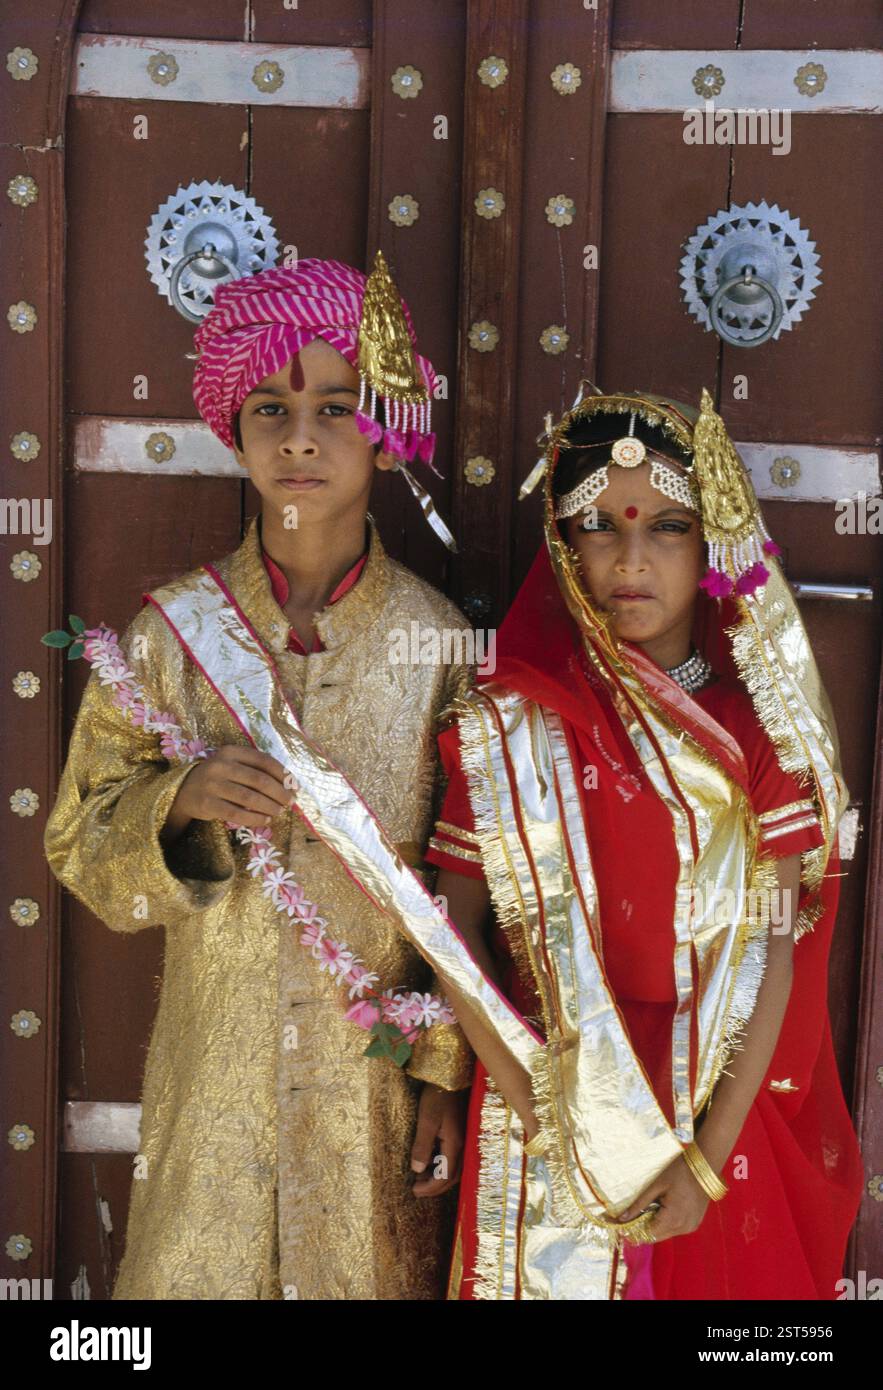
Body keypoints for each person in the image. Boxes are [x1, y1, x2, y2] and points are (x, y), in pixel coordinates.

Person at [42, 253, 476, 1300]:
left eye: (335, 407)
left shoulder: (438, 645)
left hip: (364, 1087)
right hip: (213, 1075)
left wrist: (443, 1074)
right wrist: (176, 805)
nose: (301, 436)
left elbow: (477, 880)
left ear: (379, 432)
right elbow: (77, 844)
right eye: (271, 407)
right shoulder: (167, 638)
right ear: (232, 430)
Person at [418, 385, 864, 1300]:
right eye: (598, 526)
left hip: (712, 1104)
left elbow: (774, 939)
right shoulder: (504, 725)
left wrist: (705, 1158)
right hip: (547, 1085)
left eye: (666, 526)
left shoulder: (753, 732)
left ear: (710, 547)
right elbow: (454, 925)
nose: (629, 559)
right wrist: (541, 1099)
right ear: (560, 542)